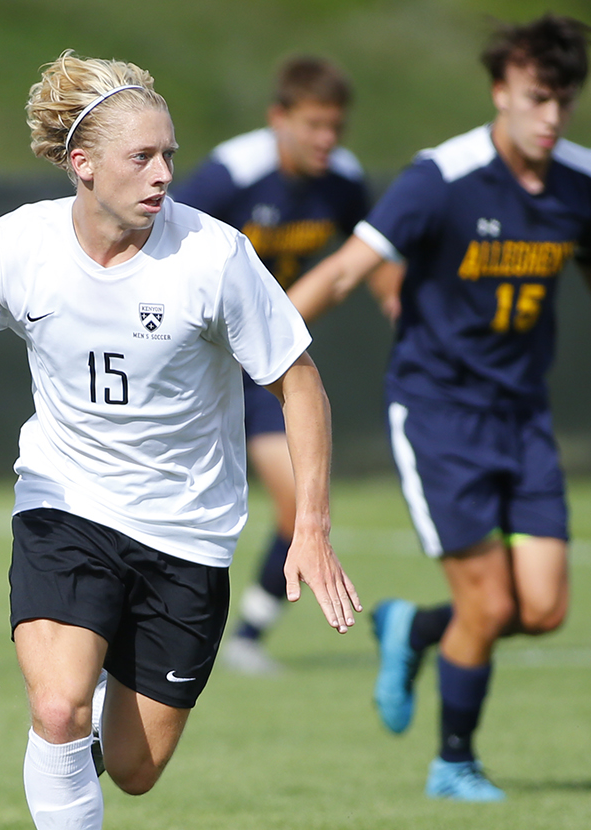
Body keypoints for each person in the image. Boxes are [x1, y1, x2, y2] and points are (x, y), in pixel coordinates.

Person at [0, 52, 359, 830]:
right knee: (60, 705)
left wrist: (313, 526)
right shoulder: (19, 245)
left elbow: (300, 383)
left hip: (188, 531)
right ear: (83, 164)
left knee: (135, 770)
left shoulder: (213, 256)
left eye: (168, 154)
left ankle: (64, 759)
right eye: (142, 157)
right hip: (66, 504)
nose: (164, 174)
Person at [288, 15, 591, 801]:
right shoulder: (441, 178)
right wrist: (259, 345)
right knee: (491, 600)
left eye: (564, 101)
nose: (551, 117)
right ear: (501, 90)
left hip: (523, 414)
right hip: (440, 412)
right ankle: (455, 762)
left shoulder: (580, 178)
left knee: (542, 609)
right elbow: (344, 273)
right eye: (538, 98)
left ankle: (414, 628)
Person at [171, 55, 400, 676]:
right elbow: (159, 235)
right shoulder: (231, 175)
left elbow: (375, 247)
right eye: (313, 125)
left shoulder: (342, 180)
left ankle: (244, 635)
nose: (326, 139)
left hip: (267, 369)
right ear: (279, 118)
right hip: (196, 364)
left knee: (296, 502)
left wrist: (394, 296)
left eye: (336, 127)